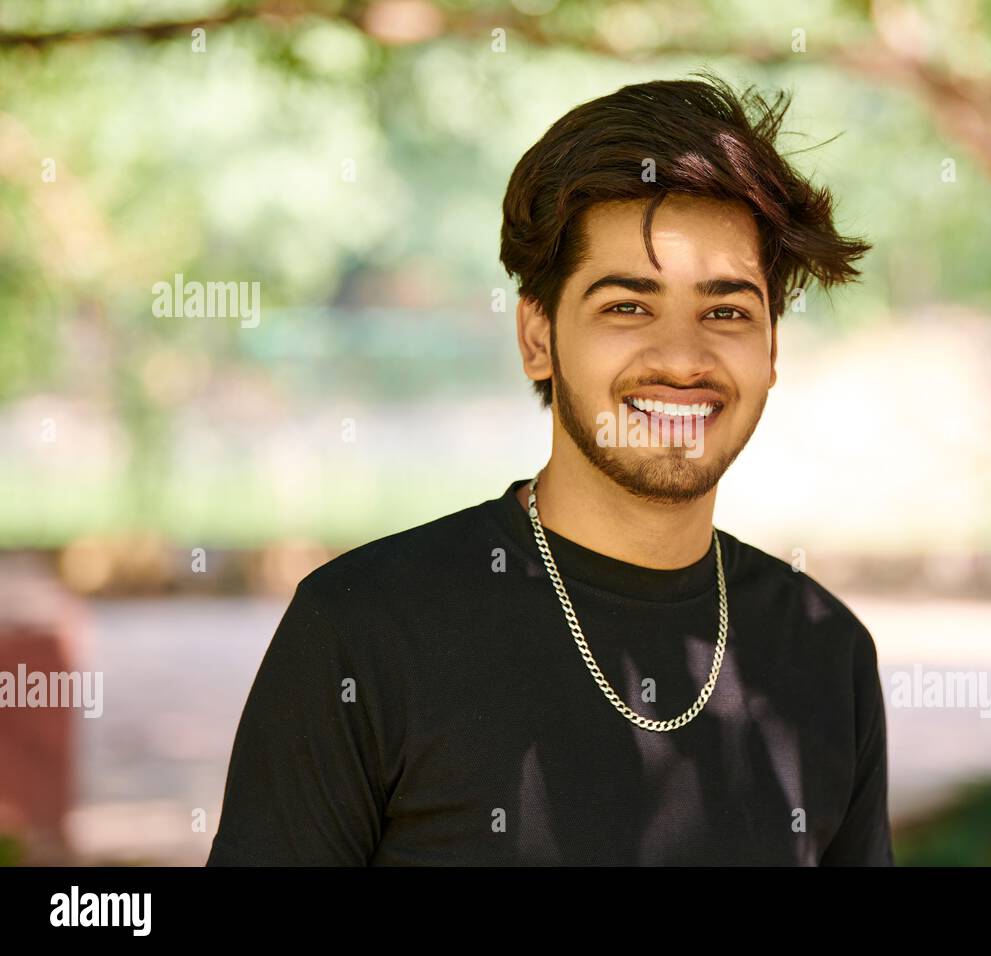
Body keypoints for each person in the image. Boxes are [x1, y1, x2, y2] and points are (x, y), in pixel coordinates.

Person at [207, 69, 892, 866]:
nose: (681, 357)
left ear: (772, 348)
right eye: (626, 306)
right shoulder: (363, 633)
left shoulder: (825, 655)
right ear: (538, 337)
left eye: (727, 311)